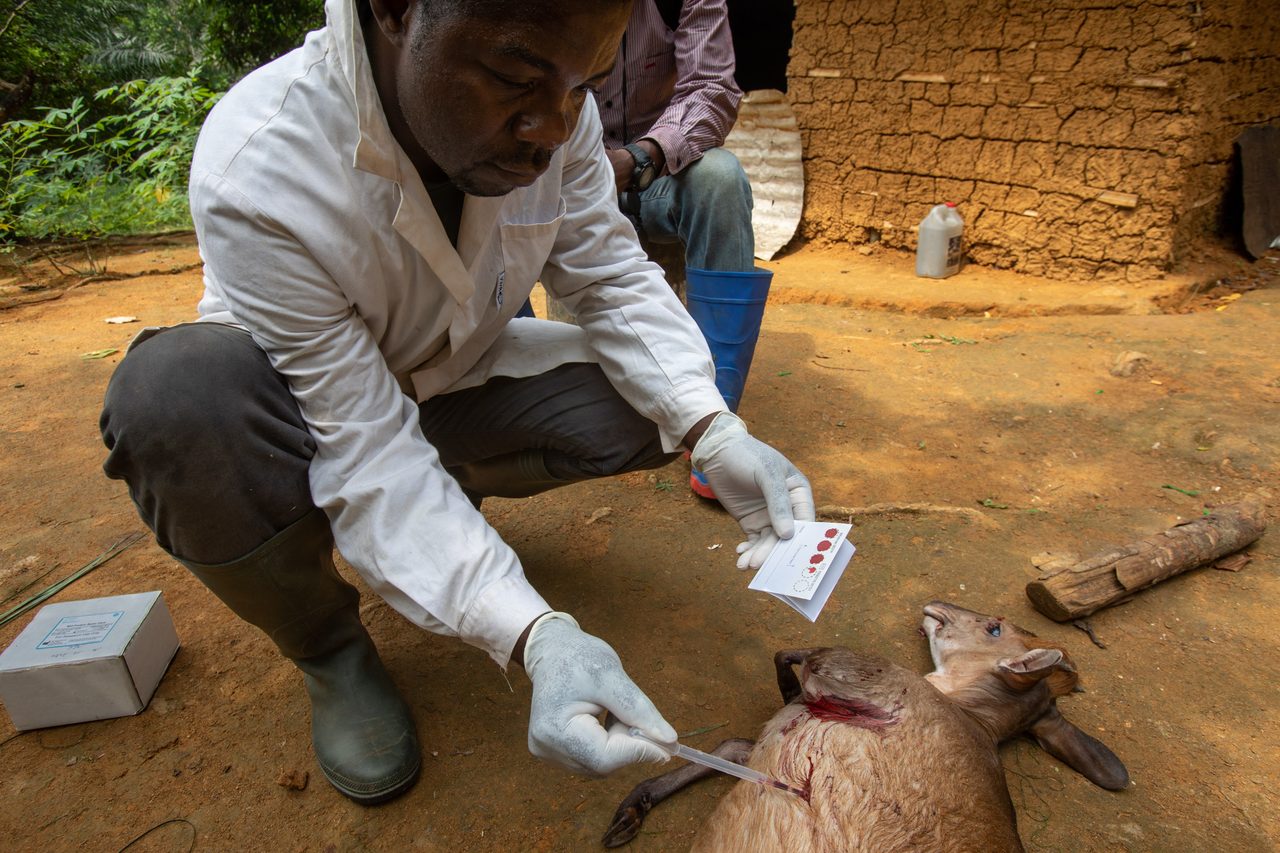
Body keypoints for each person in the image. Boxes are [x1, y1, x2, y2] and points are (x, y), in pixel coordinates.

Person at [98, 0, 814, 807]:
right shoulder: (264, 165)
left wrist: (713, 428)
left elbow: (609, 275)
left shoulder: (558, 116)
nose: (552, 129)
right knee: (175, 398)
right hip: (300, 410)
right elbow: (366, 444)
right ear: (396, 11)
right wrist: (534, 632)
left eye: (582, 87)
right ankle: (327, 646)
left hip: (447, 379)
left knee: (653, 403)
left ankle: (447, 507)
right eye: (515, 76)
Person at [592, 0, 770, 499]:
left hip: (659, 173)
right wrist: (581, 167)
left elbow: (711, 87)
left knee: (720, 178)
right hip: (572, 179)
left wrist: (641, 156)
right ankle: (492, 393)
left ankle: (717, 422)